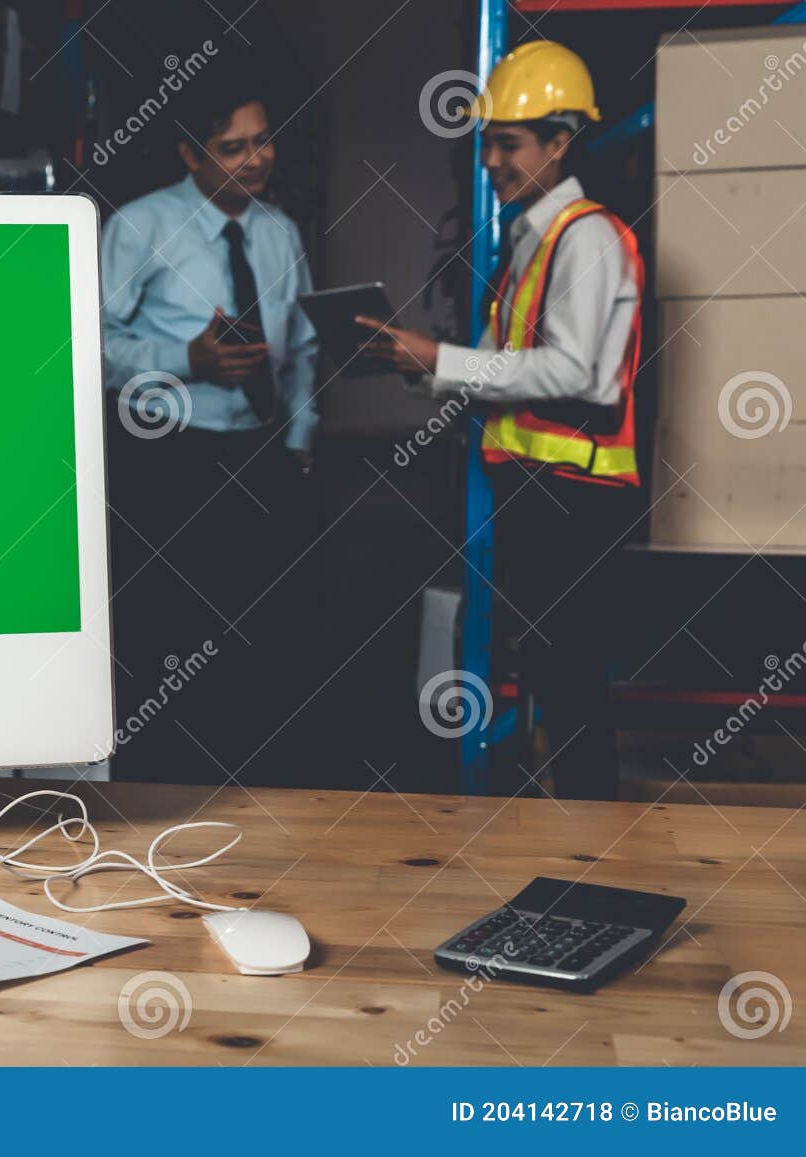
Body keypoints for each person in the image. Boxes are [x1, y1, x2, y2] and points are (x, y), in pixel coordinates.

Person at [357, 41, 643, 801]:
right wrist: (414, 364)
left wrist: (440, 357)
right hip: (539, 488)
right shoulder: (531, 242)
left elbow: (572, 372)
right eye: (487, 143)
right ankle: (575, 830)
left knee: (572, 678)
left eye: (508, 144)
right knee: (552, 671)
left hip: (577, 491)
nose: (490, 162)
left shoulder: (587, 237)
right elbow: (494, 369)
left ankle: (593, 835)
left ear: (560, 142)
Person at [99, 78, 321, 785]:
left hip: (260, 451)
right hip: (167, 455)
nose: (256, 159)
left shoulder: (280, 232)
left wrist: (299, 441)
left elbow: (304, 345)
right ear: (191, 155)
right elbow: (88, 341)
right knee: (165, 631)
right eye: (232, 148)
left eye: (263, 140)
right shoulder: (139, 226)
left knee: (259, 627)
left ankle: (250, 786)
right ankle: (162, 786)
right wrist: (184, 360)